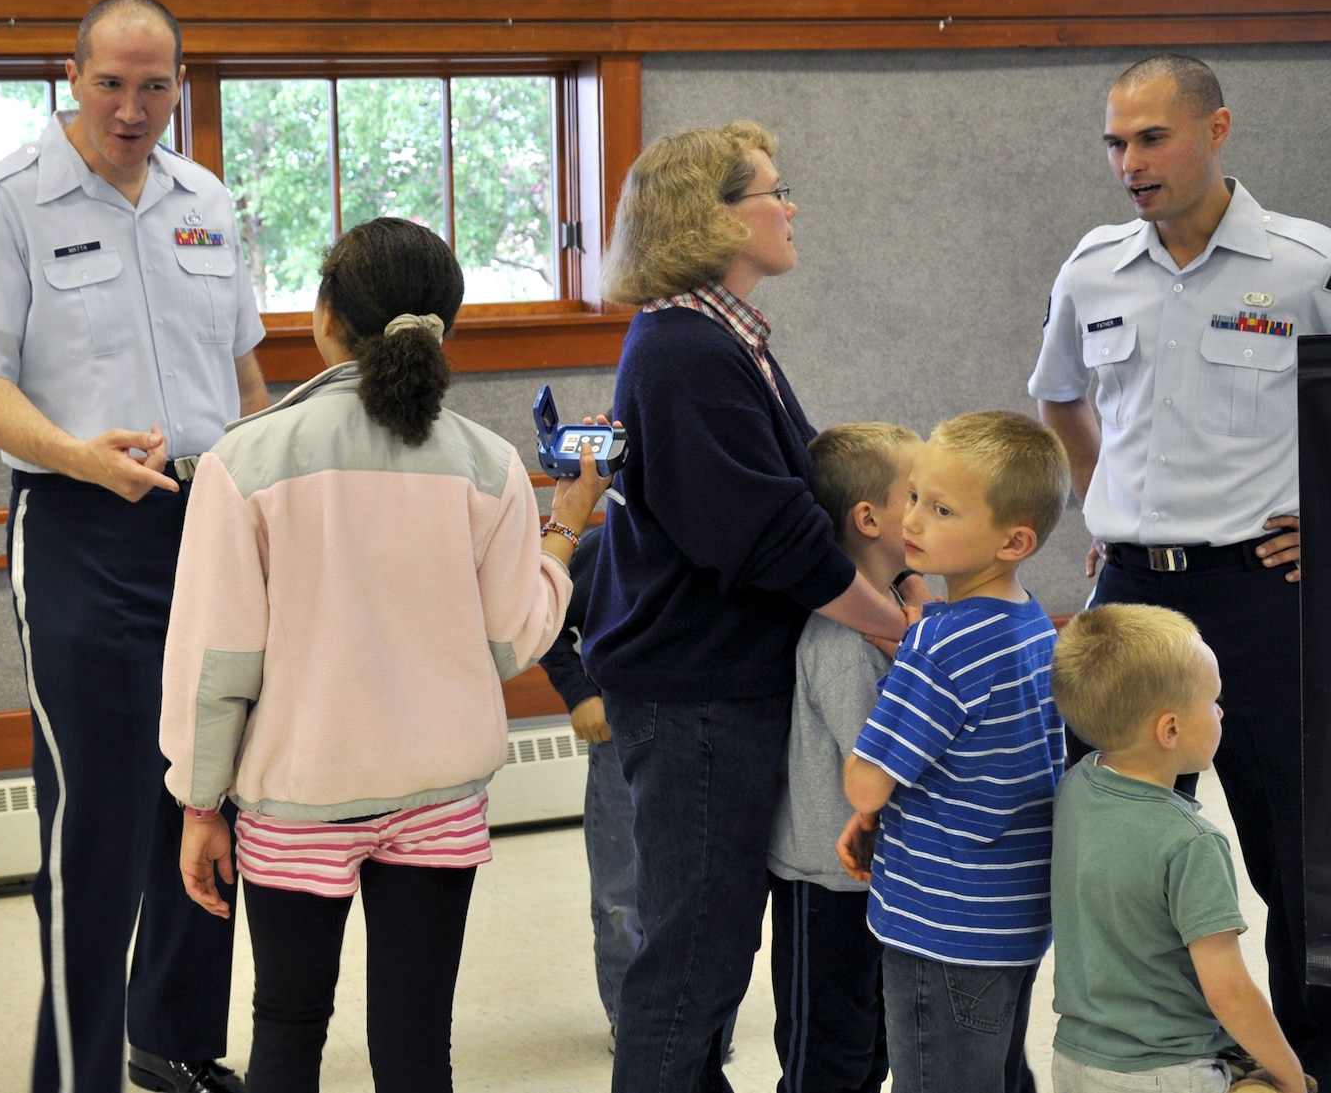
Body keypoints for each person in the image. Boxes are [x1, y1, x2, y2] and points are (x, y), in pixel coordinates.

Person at [162, 217, 613, 1092]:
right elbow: (516, 636)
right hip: (440, 796)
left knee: (287, 1030)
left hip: (297, 795)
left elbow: (217, 659)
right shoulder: (486, 466)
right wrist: (565, 527)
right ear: (448, 324)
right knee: (416, 1042)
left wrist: (199, 799)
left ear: (324, 318)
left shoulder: (242, 462)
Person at [0, 0, 269, 1093]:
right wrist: (81, 458)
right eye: (112, 83)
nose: (132, 109)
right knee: (95, 816)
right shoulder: (4, 203)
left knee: (208, 782)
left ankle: (169, 1040)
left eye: (155, 86)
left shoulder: (207, 201)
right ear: (69, 76)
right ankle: (73, 1074)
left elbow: (243, 376)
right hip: (79, 528)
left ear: (181, 83)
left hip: (210, 520)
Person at [584, 120, 921, 1093]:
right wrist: (894, 629)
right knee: (692, 967)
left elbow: (798, 499)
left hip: (718, 687)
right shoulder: (685, 349)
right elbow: (768, 534)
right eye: (772, 190)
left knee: (707, 956)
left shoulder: (714, 339)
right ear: (713, 216)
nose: (789, 205)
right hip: (699, 698)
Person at [1030, 53, 1331, 1083]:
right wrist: (1101, 501)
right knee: (1117, 844)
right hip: (1130, 599)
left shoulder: (1303, 265)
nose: (1127, 163)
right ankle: (1158, 1054)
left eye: (1150, 138)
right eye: (1113, 142)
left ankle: (1303, 1062)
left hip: (1262, 597)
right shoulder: (1091, 268)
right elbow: (1061, 398)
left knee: (1296, 859)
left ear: (1216, 130)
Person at [838, 411, 1069, 1093]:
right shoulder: (1031, 624)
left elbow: (866, 785)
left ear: (1014, 539)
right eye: (914, 496)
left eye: (941, 509)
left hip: (942, 927)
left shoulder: (939, 646)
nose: (912, 519)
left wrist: (864, 790)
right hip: (1013, 914)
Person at [1047, 605, 1307, 1093]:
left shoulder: (1077, 785)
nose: (1222, 711)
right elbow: (1229, 991)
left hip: (1074, 1060)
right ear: (1170, 730)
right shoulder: (1192, 842)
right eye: (1213, 700)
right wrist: (1290, 1074)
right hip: (1168, 1071)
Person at [767, 422, 923, 1093]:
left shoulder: (889, 606)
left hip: (875, 878)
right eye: (916, 496)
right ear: (868, 518)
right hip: (822, 883)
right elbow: (877, 760)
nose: (931, 510)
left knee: (871, 1047)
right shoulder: (840, 633)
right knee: (824, 1056)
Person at [537, 527, 644, 1050]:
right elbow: (547, 621)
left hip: (714, 733)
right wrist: (580, 694)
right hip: (623, 735)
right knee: (622, 893)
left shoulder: (731, 533)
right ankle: (631, 1019)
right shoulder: (608, 547)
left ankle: (705, 1028)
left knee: (707, 896)